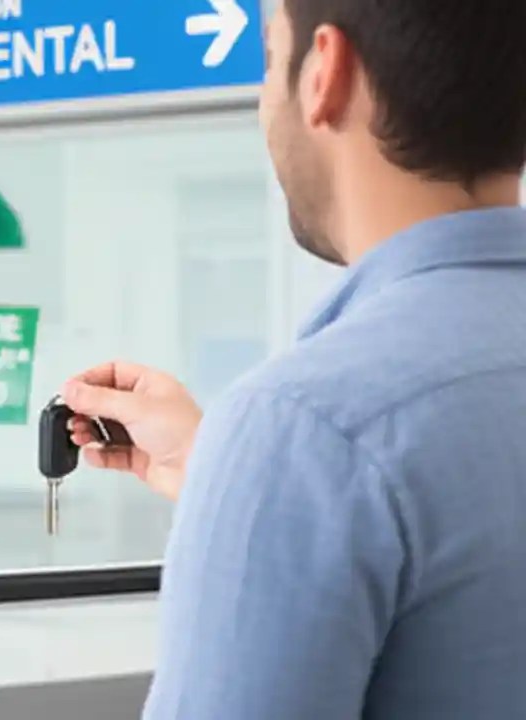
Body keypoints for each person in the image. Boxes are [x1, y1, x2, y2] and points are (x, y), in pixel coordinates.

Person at [62, 1, 526, 718]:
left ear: (326, 73)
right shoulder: (313, 441)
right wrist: (235, 475)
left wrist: (278, 464)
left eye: (270, 57)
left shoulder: (308, 425)